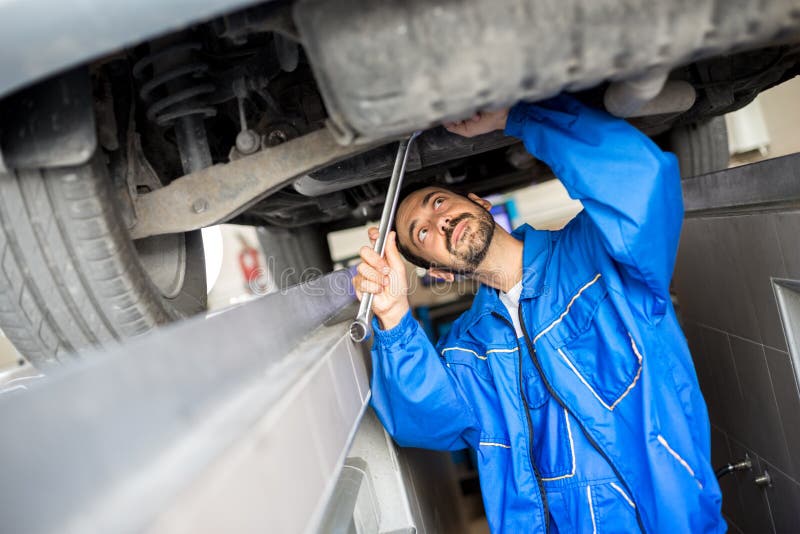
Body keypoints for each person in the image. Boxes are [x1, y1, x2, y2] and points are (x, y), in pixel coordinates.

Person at [352, 95, 724, 533]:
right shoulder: (467, 351)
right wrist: (394, 316)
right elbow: (424, 422)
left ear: (478, 201)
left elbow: (641, 181)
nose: (442, 222)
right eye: (423, 232)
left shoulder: (599, 253)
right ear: (438, 272)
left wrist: (518, 117)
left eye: (438, 203)